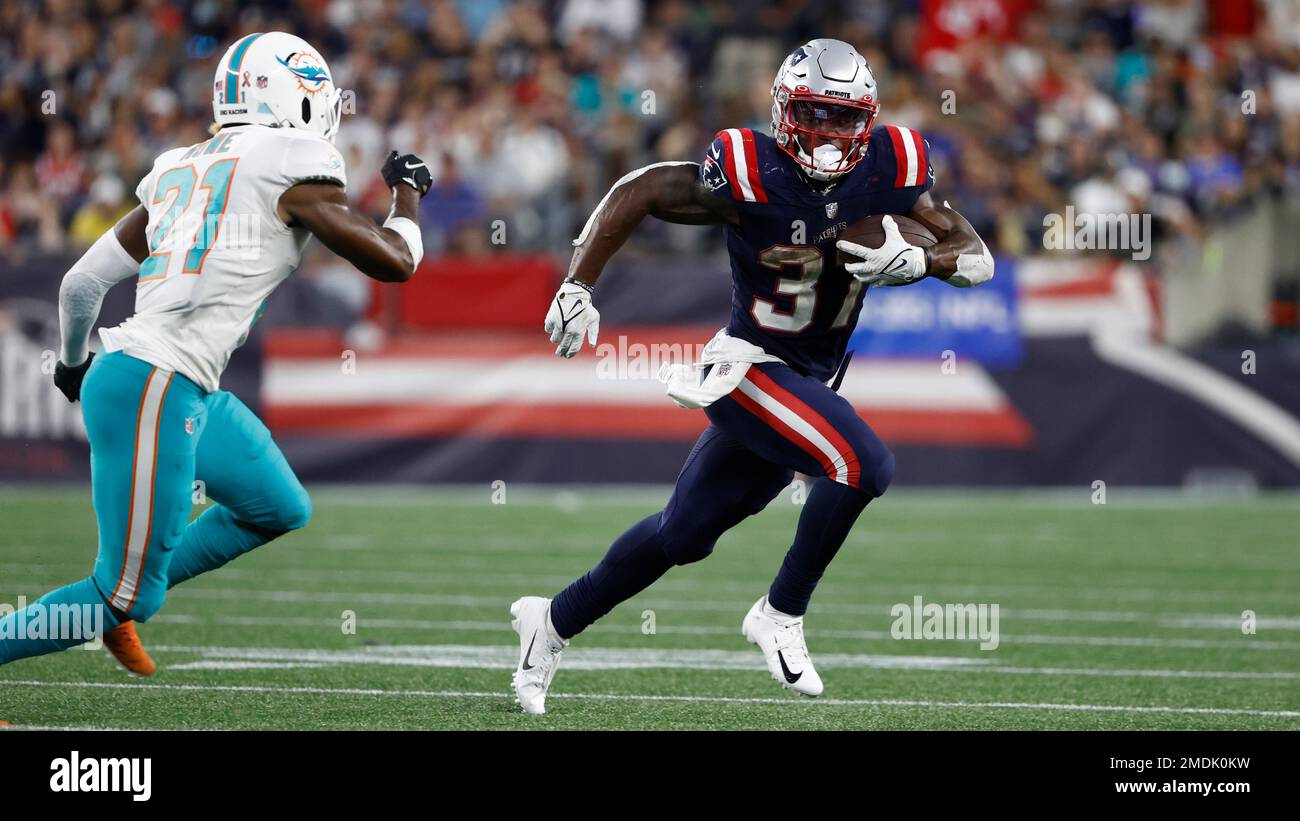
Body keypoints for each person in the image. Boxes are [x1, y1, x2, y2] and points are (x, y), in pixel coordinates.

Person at [511, 39, 995, 714]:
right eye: (811, 114)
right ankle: (780, 611)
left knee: (683, 534)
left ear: (868, 119)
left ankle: (552, 620)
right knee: (864, 464)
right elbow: (640, 189)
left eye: (841, 117)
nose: (826, 133)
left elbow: (976, 257)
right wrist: (577, 283)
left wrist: (925, 265)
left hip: (808, 385)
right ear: (781, 110)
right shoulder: (747, 168)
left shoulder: (893, 165)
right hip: (747, 368)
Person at [0, 32, 432, 680]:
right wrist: (408, 192)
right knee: (121, 591)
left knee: (278, 505)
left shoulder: (180, 164)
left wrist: (69, 366)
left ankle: (126, 597)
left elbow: (79, 285)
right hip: (156, 382)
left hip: (166, 381)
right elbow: (398, 262)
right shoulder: (291, 161)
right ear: (296, 99)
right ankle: (108, 606)